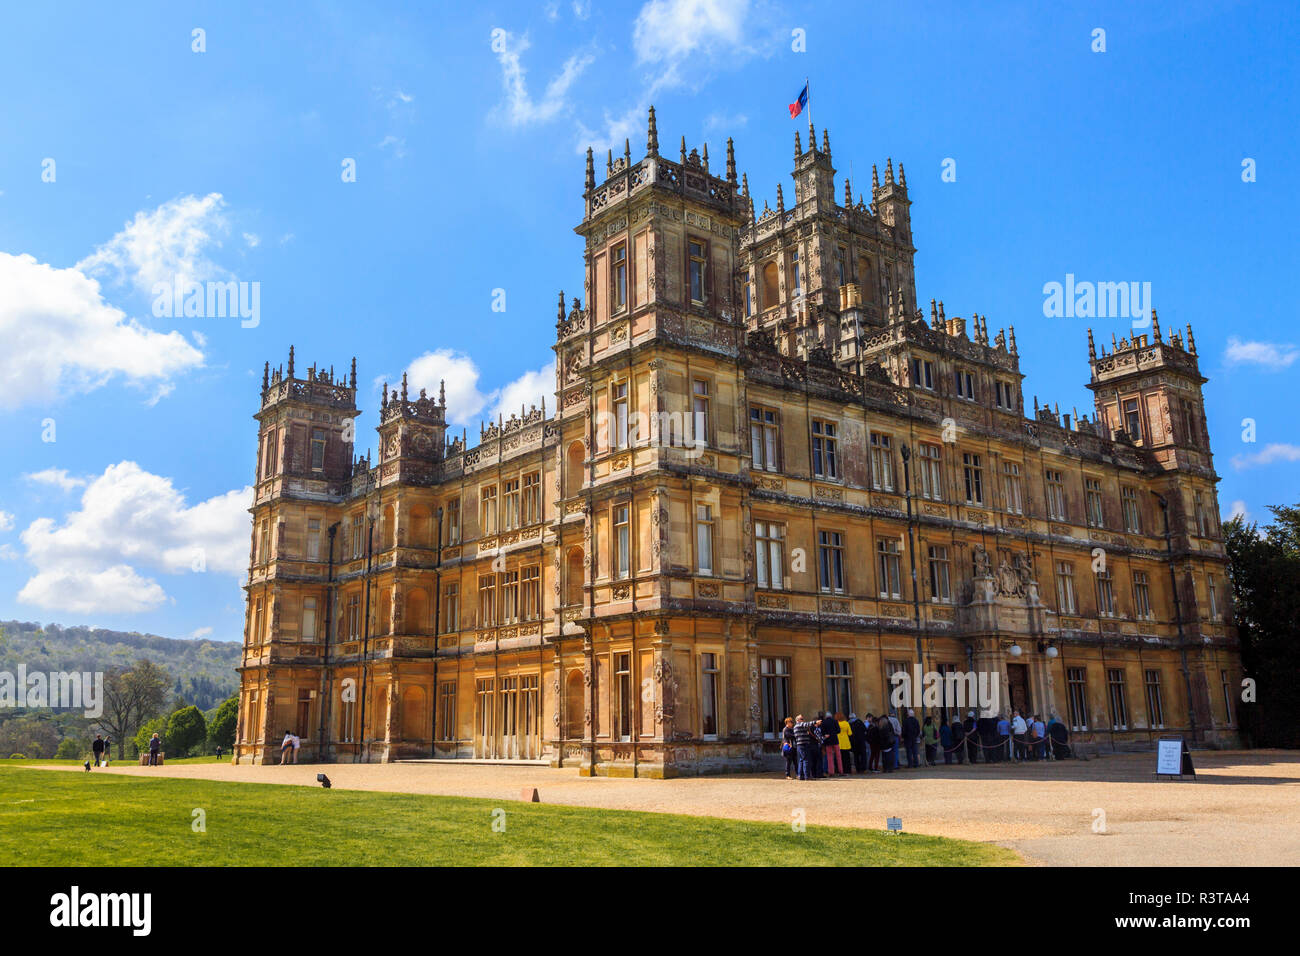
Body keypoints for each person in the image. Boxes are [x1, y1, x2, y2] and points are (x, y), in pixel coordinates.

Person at [792, 714, 818, 780]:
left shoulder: (795, 726)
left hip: (799, 745)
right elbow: (807, 724)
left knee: (801, 760)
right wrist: (815, 722)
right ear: (798, 720)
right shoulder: (799, 725)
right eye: (802, 719)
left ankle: (800, 775)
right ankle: (807, 776)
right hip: (803, 744)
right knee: (806, 760)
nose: (803, 720)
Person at [821, 712, 842, 776]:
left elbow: (822, 732)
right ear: (831, 716)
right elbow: (838, 731)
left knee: (830, 757)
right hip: (835, 740)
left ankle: (831, 772)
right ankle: (840, 771)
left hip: (828, 741)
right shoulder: (835, 721)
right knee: (838, 756)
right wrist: (833, 733)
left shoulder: (824, 722)